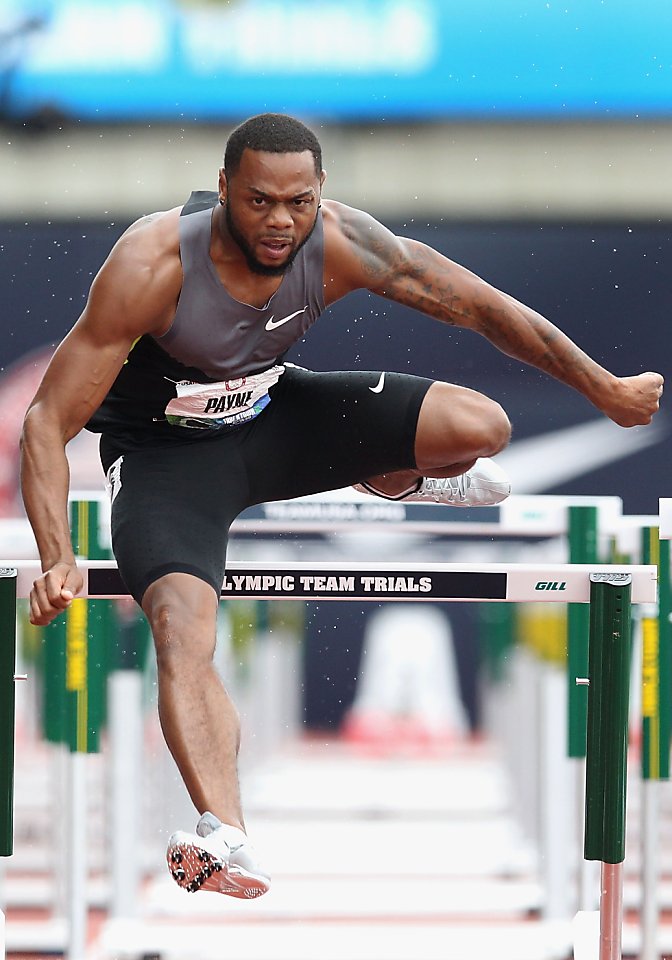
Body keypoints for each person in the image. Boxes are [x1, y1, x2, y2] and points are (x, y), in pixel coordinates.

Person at [20, 113, 663, 899]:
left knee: (482, 427)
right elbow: (48, 421)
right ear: (223, 189)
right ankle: (227, 834)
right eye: (258, 201)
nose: (280, 222)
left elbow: (485, 308)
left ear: (322, 194)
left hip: (274, 420)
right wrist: (56, 556)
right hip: (166, 460)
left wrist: (604, 388)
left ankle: (394, 475)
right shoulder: (153, 261)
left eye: (298, 202)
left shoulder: (346, 242)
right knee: (181, 626)